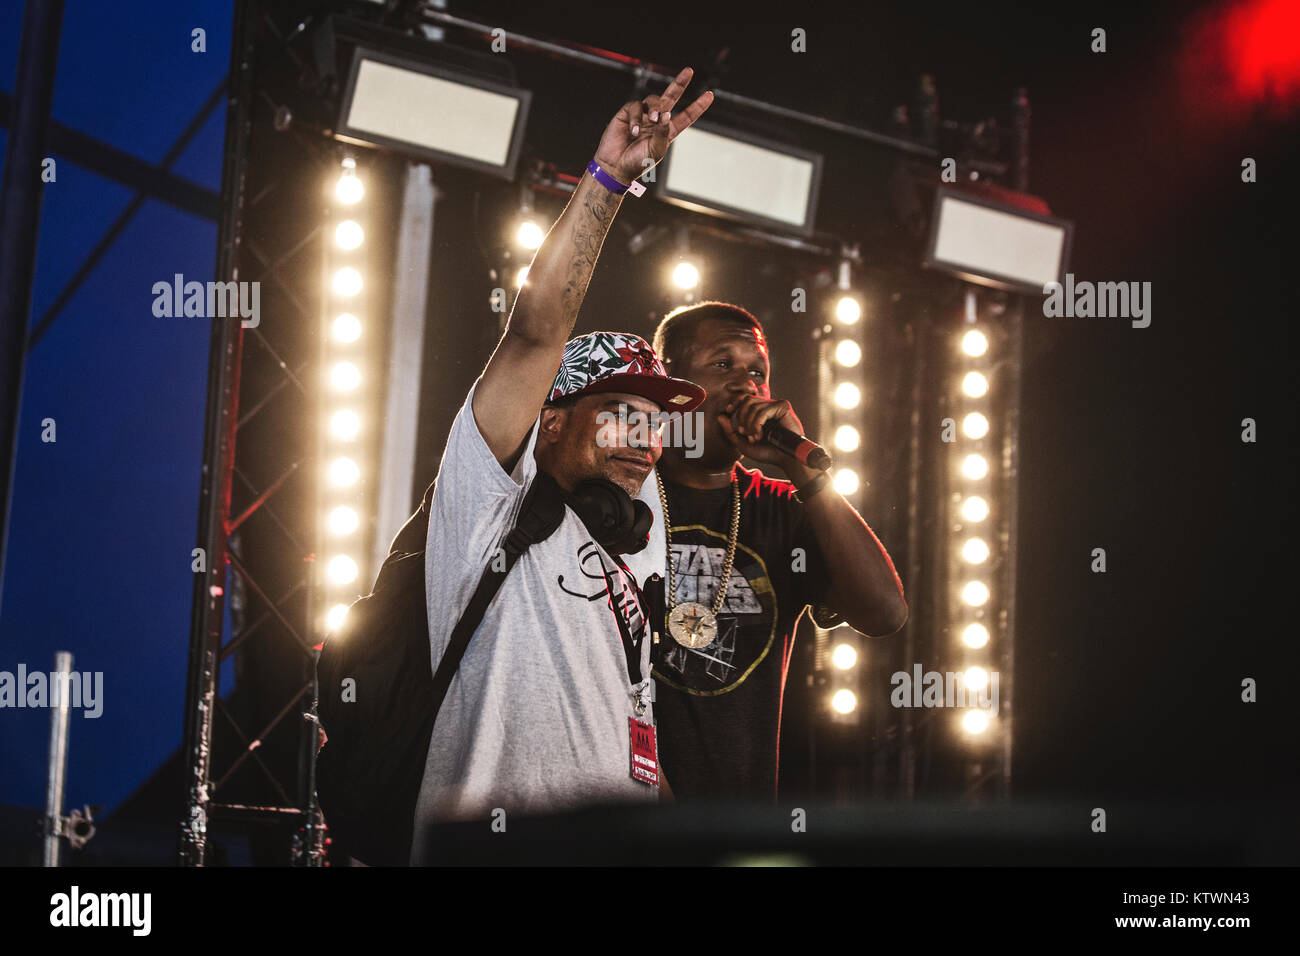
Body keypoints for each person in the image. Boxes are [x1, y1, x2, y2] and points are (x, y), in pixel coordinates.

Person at [411, 69, 713, 860]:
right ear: (547, 422)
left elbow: (632, 748)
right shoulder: (491, 503)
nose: (644, 441)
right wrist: (611, 182)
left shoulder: (638, 552)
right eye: (619, 413)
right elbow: (536, 335)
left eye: (654, 424)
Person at [622, 301, 908, 801]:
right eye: (722, 364)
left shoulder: (783, 511)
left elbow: (885, 613)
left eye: (758, 371)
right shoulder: (621, 494)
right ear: (671, 385)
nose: (746, 385)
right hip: (621, 823)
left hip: (737, 824)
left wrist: (808, 476)